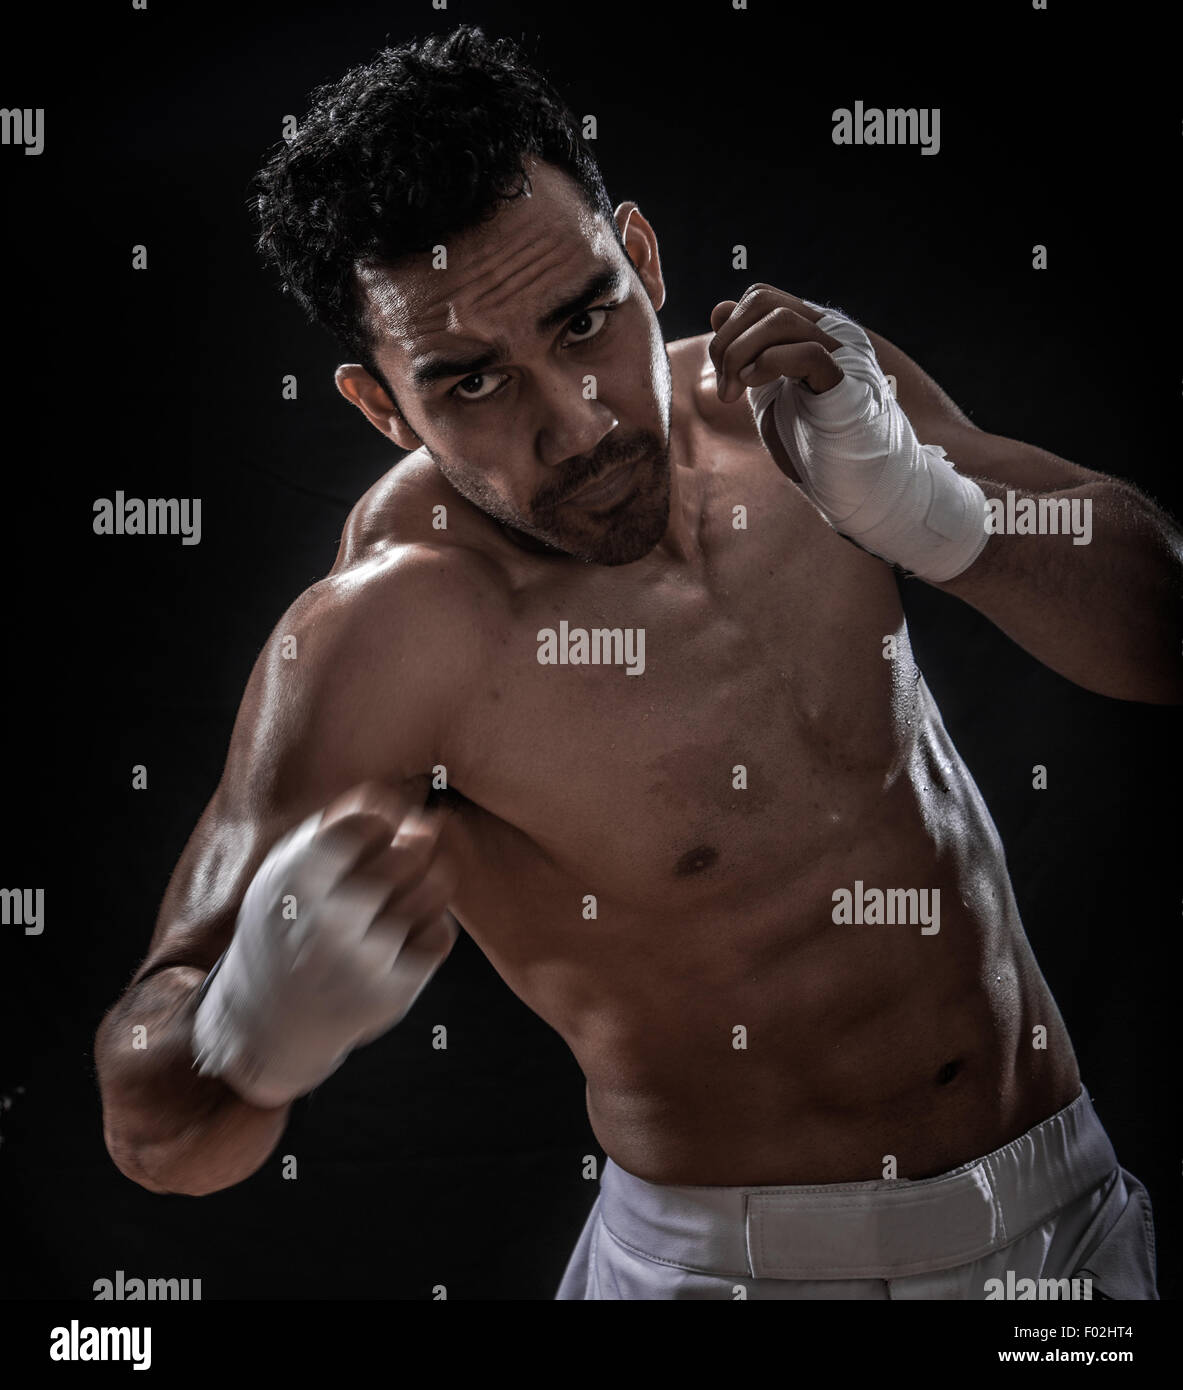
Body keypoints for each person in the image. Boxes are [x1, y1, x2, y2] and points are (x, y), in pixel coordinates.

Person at [95, 25, 1177, 1299]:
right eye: (469, 383)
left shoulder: (798, 399)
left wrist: (941, 516)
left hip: (1070, 1218)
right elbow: (156, 1135)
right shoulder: (382, 633)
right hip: (732, 1275)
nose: (576, 421)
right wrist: (235, 1038)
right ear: (383, 408)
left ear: (643, 259)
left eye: (584, 318)